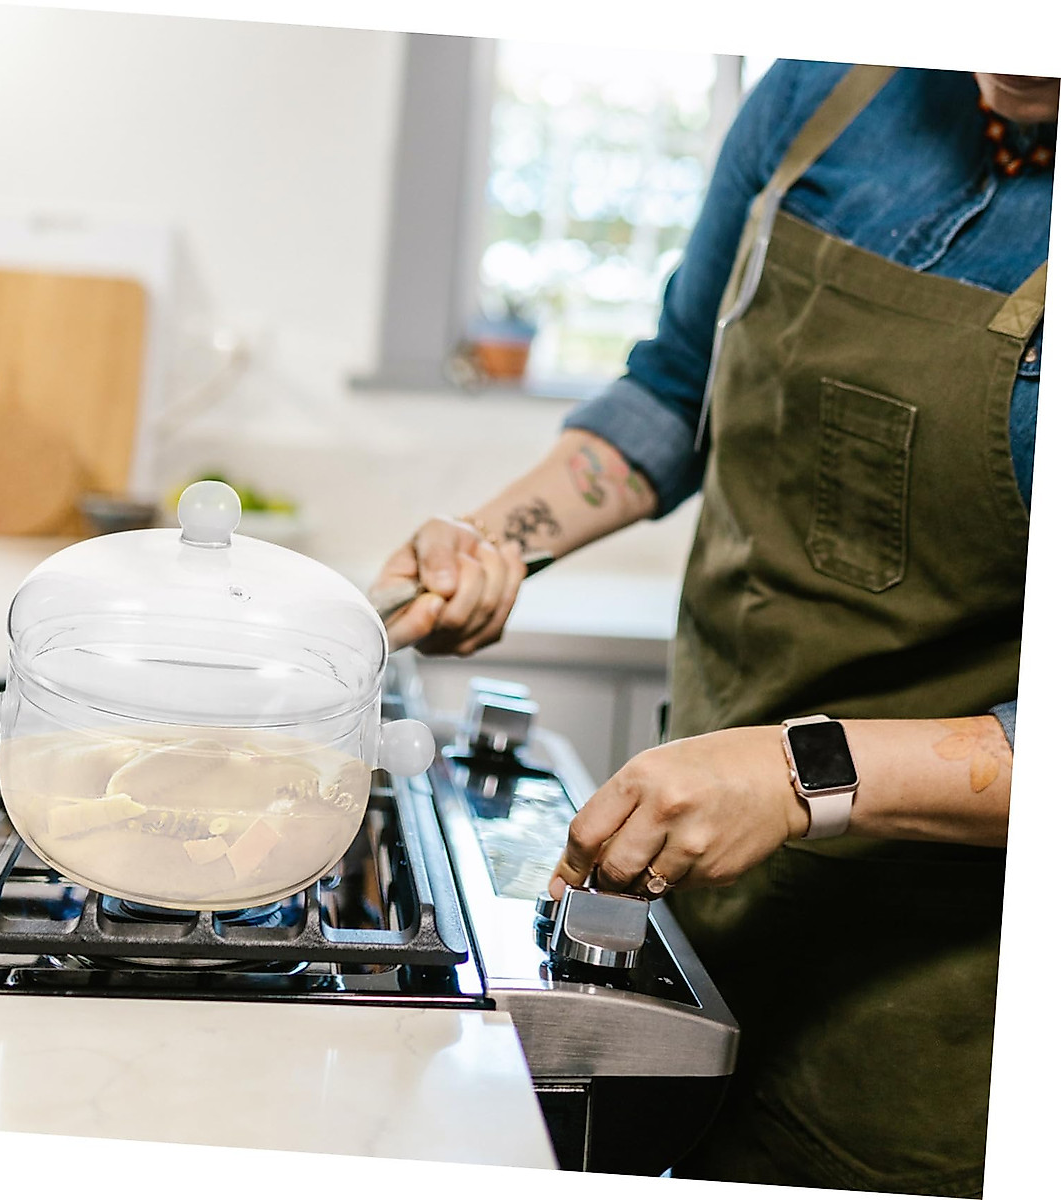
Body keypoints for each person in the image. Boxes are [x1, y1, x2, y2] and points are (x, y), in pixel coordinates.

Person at [370, 61, 1055, 1195]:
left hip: (941, 1007)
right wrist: (493, 540)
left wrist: (798, 775)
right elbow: (675, 387)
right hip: (707, 901)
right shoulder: (825, 88)